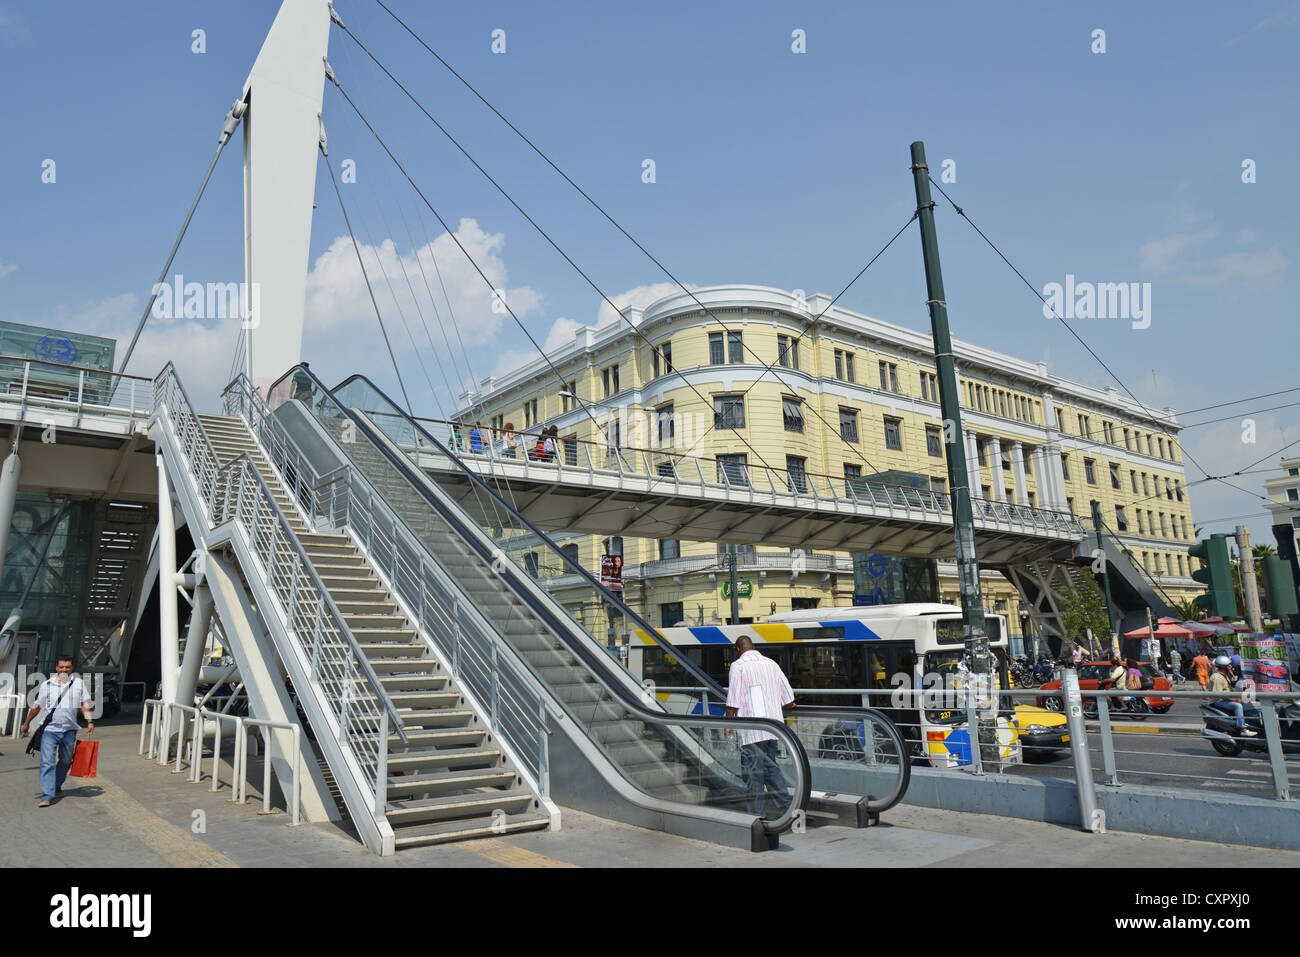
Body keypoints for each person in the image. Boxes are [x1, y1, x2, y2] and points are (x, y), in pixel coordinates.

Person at [724, 635, 796, 816]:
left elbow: (733, 699)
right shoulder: (772, 664)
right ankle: (787, 808)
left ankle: (755, 816)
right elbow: (789, 700)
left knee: (753, 775)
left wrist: (728, 723)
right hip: (773, 728)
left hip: (752, 732)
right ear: (753, 646)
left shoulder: (738, 666)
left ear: (738, 650)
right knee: (771, 768)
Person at [21, 655, 94, 807]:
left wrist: (89, 721)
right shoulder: (47, 685)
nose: (64, 670)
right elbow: (37, 706)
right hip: (50, 730)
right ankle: (47, 794)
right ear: (56, 668)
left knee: (66, 761)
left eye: (67, 667)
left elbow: (83, 703)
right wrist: (27, 723)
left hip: (70, 730)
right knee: (47, 762)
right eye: (61, 667)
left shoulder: (78, 683)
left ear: (72, 668)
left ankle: (56, 784)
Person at [1209, 655, 1257, 737]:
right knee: (1237, 706)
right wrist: (1235, 700)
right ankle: (1243, 729)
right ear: (1223, 666)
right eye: (1228, 665)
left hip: (1224, 699)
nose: (1230, 666)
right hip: (1217, 701)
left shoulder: (1223, 675)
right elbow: (1219, 695)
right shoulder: (1217, 677)